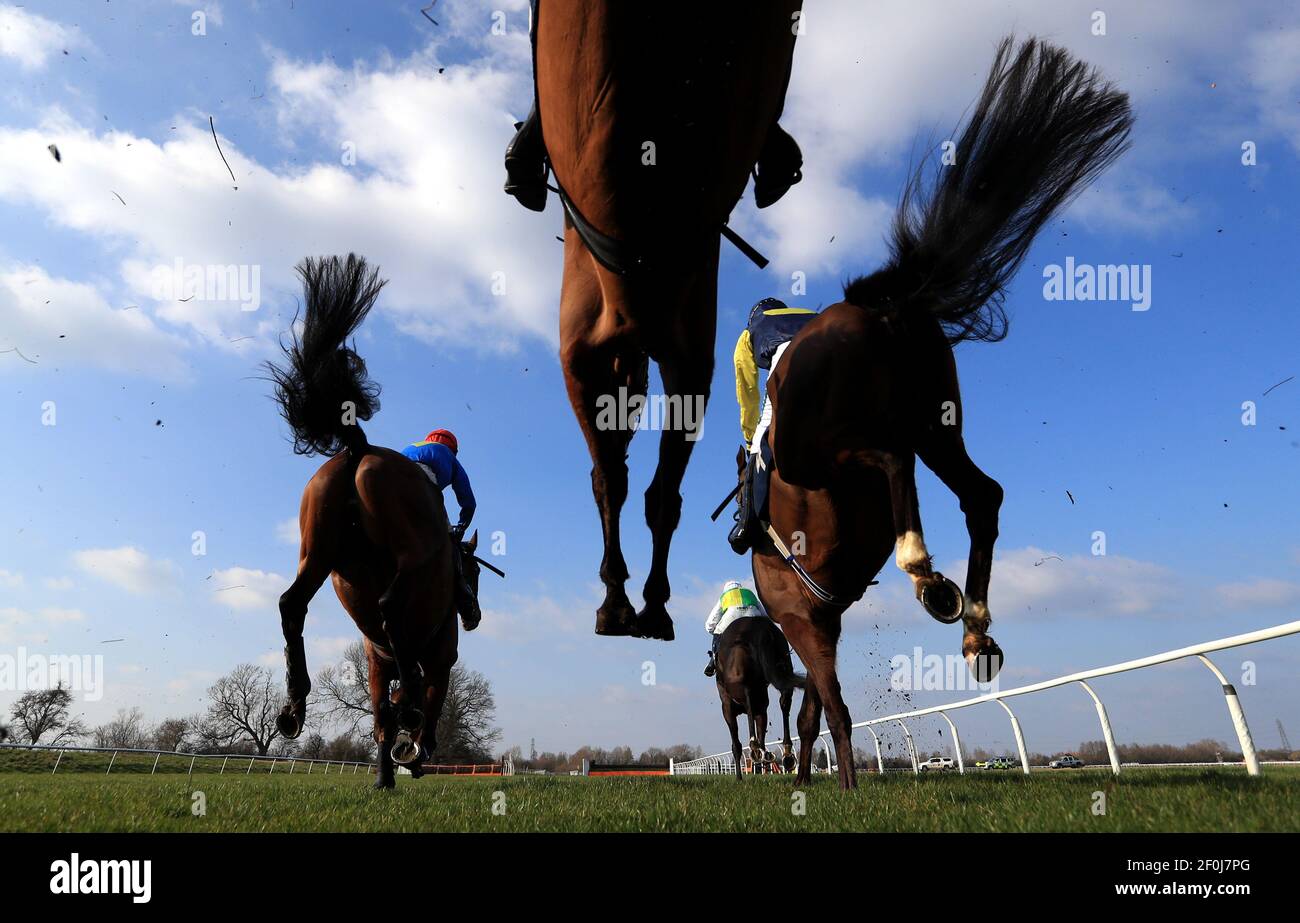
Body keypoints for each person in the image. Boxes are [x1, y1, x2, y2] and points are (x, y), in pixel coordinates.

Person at [728, 297, 818, 554]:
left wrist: (750, 438)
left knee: (759, 442)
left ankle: (747, 524)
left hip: (790, 362)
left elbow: (747, 391)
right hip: (841, 359)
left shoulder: (751, 330)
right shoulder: (809, 313)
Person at [401, 429, 481, 631]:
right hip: (422, 482)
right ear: (453, 450)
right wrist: (461, 528)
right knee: (451, 547)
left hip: (388, 478)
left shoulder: (412, 446)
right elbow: (468, 502)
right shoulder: (450, 458)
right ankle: (466, 603)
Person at [704, 580, 770, 677]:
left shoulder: (725, 596)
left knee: (717, 632)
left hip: (731, 617)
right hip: (753, 617)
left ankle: (713, 662)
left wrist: (714, 631)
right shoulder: (750, 593)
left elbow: (710, 623)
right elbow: (765, 616)